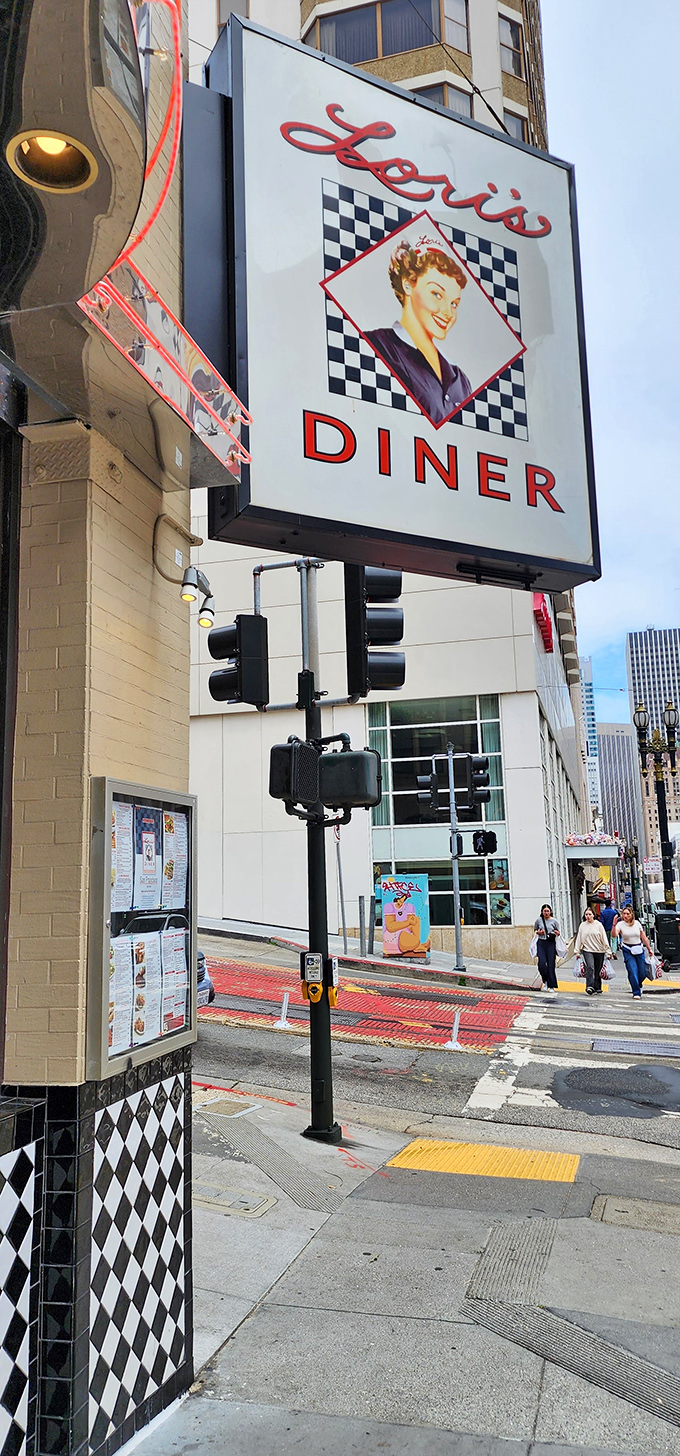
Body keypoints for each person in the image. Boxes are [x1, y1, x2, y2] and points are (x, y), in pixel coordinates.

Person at [365, 235, 472, 425]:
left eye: (454, 303)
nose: (448, 312)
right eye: (437, 294)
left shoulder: (461, 381)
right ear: (408, 284)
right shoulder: (374, 345)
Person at [612, 905, 653, 1000]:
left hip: (638, 948)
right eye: (624, 913)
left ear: (631, 914)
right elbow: (614, 935)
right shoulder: (620, 924)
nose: (625, 916)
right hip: (628, 949)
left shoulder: (637, 924)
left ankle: (638, 983)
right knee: (632, 970)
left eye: (627, 913)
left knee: (642, 971)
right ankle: (636, 991)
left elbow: (643, 937)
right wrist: (614, 924)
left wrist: (649, 949)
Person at [574, 908, 610, 995]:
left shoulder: (599, 925)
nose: (588, 916)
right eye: (586, 914)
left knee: (598, 969)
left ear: (593, 915)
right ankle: (589, 986)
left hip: (599, 950)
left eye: (590, 914)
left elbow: (604, 938)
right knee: (590, 967)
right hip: (587, 950)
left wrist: (608, 951)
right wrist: (577, 951)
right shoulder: (582, 925)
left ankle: (597, 987)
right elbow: (579, 938)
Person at [533, 903, 560, 992]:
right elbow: (535, 930)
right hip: (541, 943)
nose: (546, 913)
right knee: (542, 963)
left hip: (550, 943)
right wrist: (539, 932)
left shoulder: (554, 921)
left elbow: (558, 932)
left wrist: (557, 933)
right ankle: (545, 981)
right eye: (544, 911)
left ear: (550, 912)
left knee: (551, 964)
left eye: (548, 911)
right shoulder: (539, 920)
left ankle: (551, 985)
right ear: (542, 912)